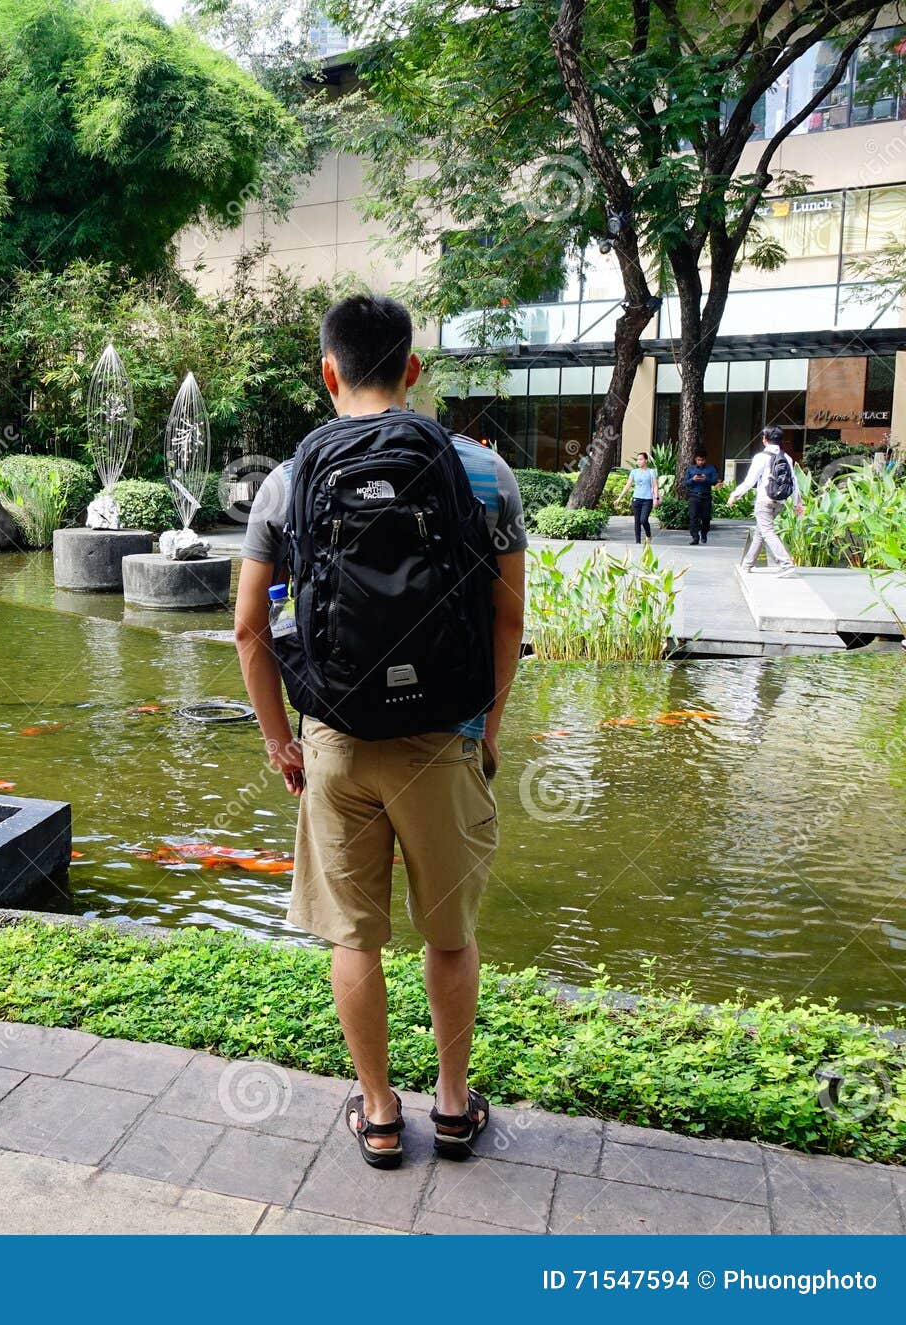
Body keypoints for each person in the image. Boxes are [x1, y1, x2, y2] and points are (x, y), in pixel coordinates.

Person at [233, 294, 527, 1169]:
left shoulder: (290, 478)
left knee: (354, 936)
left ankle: (379, 1112)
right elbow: (508, 619)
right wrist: (488, 725)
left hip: (339, 738)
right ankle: (451, 1106)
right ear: (413, 369)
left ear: (328, 372)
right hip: (444, 737)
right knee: (450, 933)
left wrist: (280, 740)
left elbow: (250, 628)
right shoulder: (483, 472)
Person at [731, 425, 805, 578]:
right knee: (760, 532)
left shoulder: (761, 457)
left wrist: (735, 495)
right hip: (780, 502)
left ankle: (786, 564)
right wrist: (798, 503)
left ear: (765, 439)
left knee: (767, 531)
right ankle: (747, 564)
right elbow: (794, 481)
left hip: (764, 500)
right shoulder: (787, 458)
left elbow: (750, 481)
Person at [618, 452, 660, 543]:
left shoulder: (651, 472)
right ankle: (638, 542)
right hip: (636, 499)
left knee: (643, 520)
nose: (638, 461)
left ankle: (648, 535)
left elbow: (655, 485)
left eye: (641, 459)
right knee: (637, 521)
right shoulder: (634, 472)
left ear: (646, 460)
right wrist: (619, 498)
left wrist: (656, 498)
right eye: (638, 460)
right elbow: (628, 485)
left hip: (647, 499)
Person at [683, 450, 719, 545]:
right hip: (694, 495)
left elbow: (715, 481)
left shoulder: (711, 469)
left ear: (705, 460)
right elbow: (686, 483)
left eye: (702, 460)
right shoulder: (691, 469)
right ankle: (695, 537)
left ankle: (704, 533)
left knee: (706, 518)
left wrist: (706, 479)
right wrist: (693, 479)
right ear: (695, 459)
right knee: (693, 517)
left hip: (706, 496)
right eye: (698, 460)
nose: (700, 462)